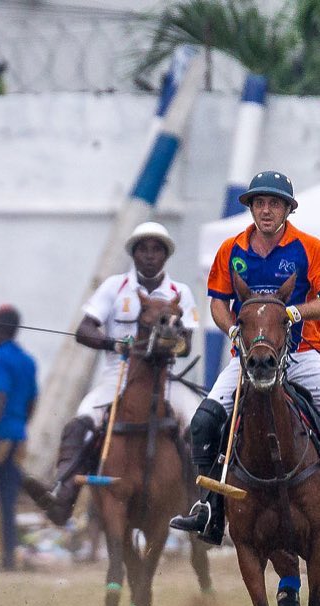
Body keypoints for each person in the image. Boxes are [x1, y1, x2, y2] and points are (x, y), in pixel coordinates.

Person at [171, 170, 320, 545]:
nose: (266, 210)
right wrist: (233, 330)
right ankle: (209, 508)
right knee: (204, 423)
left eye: (273, 203)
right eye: (259, 203)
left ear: (287, 208)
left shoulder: (310, 248)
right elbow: (218, 304)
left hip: (301, 353)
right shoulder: (231, 249)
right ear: (251, 207)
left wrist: (295, 312)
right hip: (248, 358)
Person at [24, 221, 199, 526]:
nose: (149, 255)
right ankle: (62, 494)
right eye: (142, 249)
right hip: (116, 377)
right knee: (81, 422)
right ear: (133, 253)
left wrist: (172, 342)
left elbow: (186, 346)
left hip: (163, 380)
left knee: (200, 421)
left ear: (165, 255)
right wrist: (111, 342)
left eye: (156, 249)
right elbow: (84, 329)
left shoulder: (179, 292)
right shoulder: (113, 286)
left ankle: (203, 507)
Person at [0, 305, 37, 570]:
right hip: (19, 436)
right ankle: (8, 559)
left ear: (1, 329)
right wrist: (20, 425)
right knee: (8, 499)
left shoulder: (0, 358)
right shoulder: (28, 360)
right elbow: (32, 402)